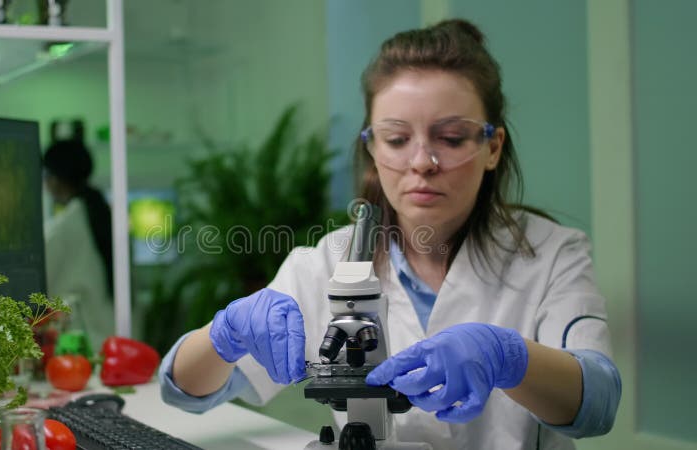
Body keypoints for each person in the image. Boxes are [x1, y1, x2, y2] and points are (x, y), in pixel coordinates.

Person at [159, 19, 621, 449]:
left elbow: (598, 403)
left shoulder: (553, 253)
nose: (422, 162)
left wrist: (510, 358)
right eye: (397, 140)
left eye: (452, 138)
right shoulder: (326, 263)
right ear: (373, 148)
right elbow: (185, 392)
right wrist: (224, 334)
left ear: (492, 147)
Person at [42, 139, 114, 353]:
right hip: (107, 334)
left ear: (55, 179)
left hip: (83, 342)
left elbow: (42, 283)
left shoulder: (65, 227)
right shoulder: (100, 212)